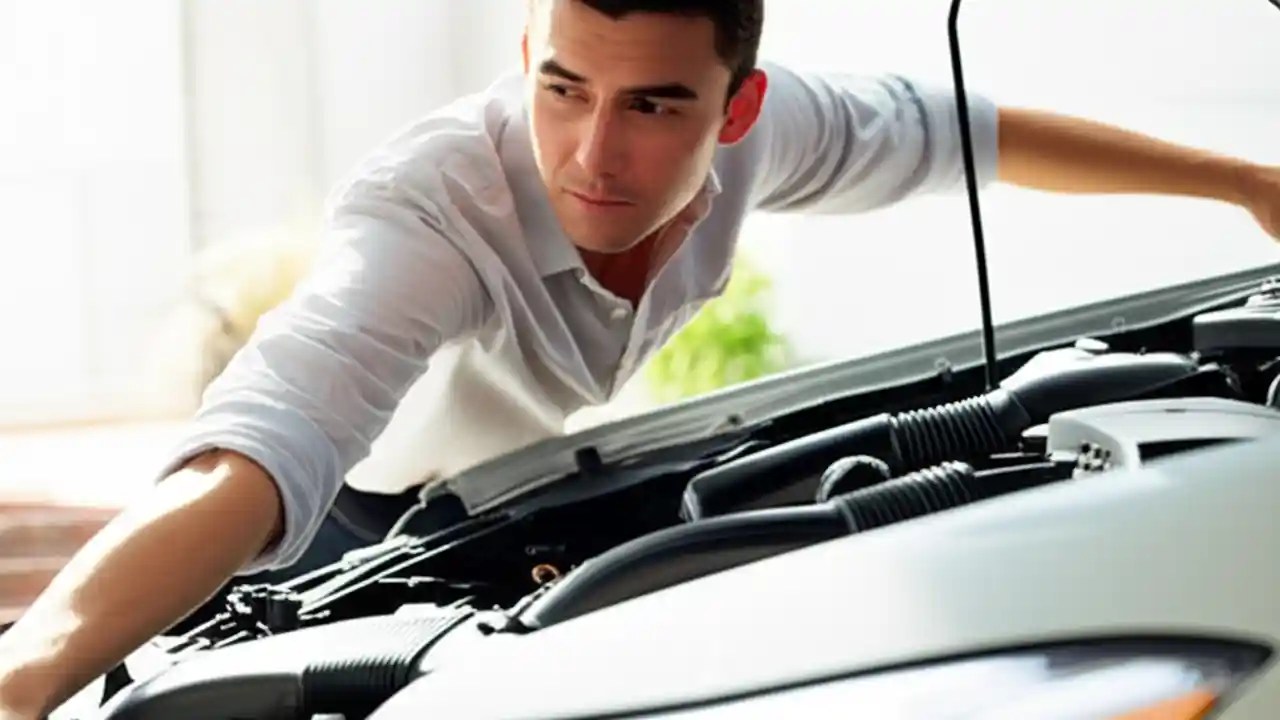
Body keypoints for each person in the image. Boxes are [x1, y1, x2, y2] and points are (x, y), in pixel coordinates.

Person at [2, 0, 1278, 716]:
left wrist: (1246, 183)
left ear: (736, 107)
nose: (591, 155)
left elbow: (963, 133)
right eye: (562, 89)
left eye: (653, 105)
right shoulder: (431, 212)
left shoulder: (774, 133)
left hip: (528, 501)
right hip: (335, 546)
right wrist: (32, 669)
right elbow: (266, 439)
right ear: (525, 61)